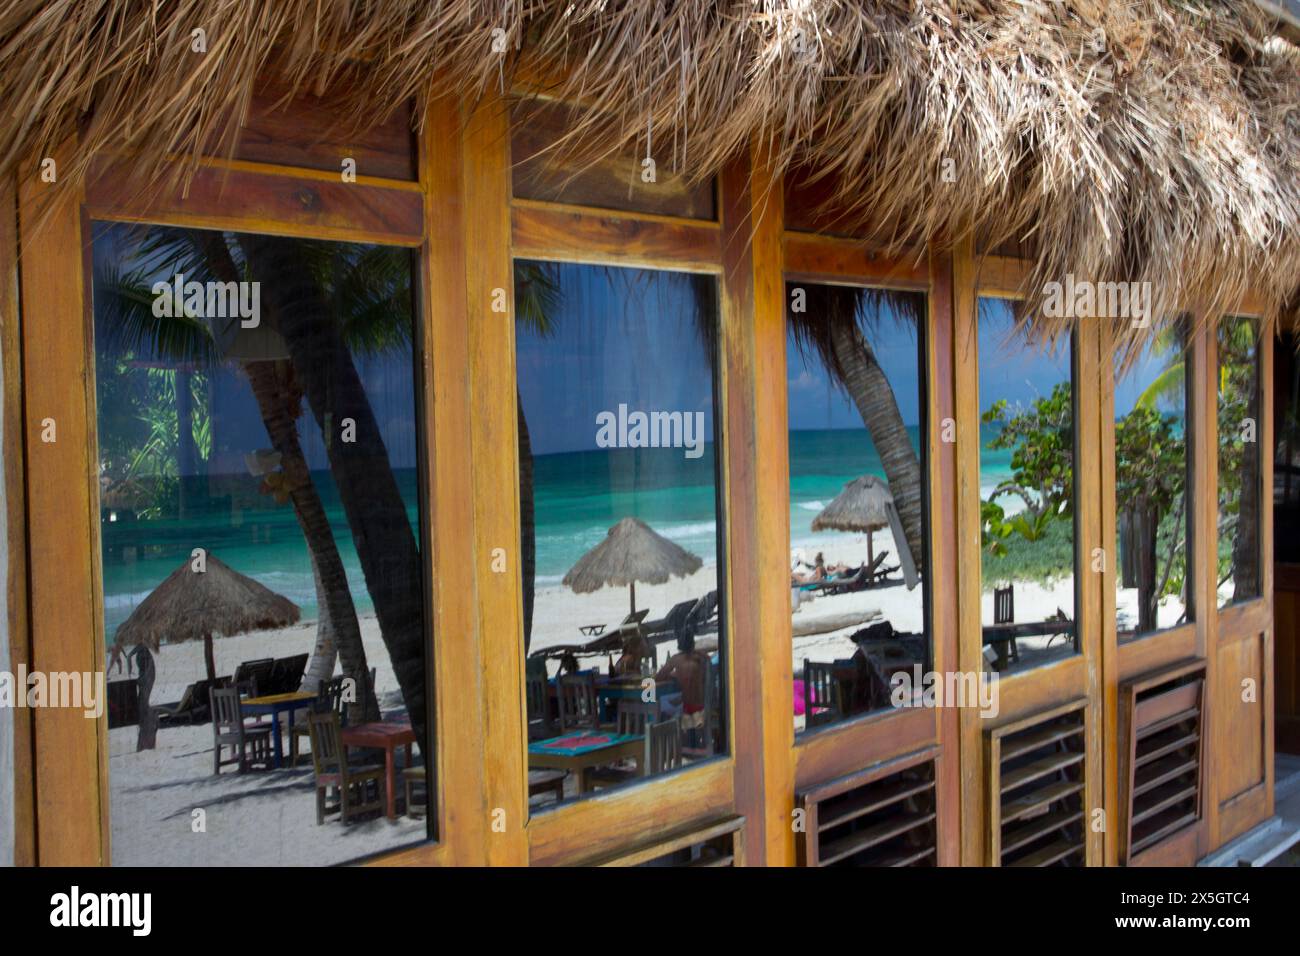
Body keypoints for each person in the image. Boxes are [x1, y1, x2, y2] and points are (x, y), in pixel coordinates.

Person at [654, 626, 710, 746]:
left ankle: (665, 744)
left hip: (687, 709)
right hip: (703, 706)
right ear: (693, 643)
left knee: (658, 705)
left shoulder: (676, 659)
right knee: (673, 702)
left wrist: (674, 675)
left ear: (679, 643)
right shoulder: (702, 657)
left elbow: (658, 677)